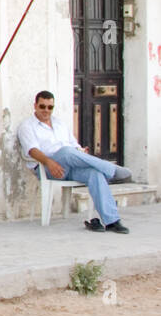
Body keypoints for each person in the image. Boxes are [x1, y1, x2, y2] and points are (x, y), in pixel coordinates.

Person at [16, 90, 133, 233]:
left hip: (69, 166)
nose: (46, 110)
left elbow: (73, 144)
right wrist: (49, 162)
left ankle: (112, 221)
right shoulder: (27, 126)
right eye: (42, 106)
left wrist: (81, 151)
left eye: (50, 107)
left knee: (94, 173)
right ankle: (112, 170)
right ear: (35, 106)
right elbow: (31, 150)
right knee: (66, 151)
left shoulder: (59, 124)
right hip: (46, 167)